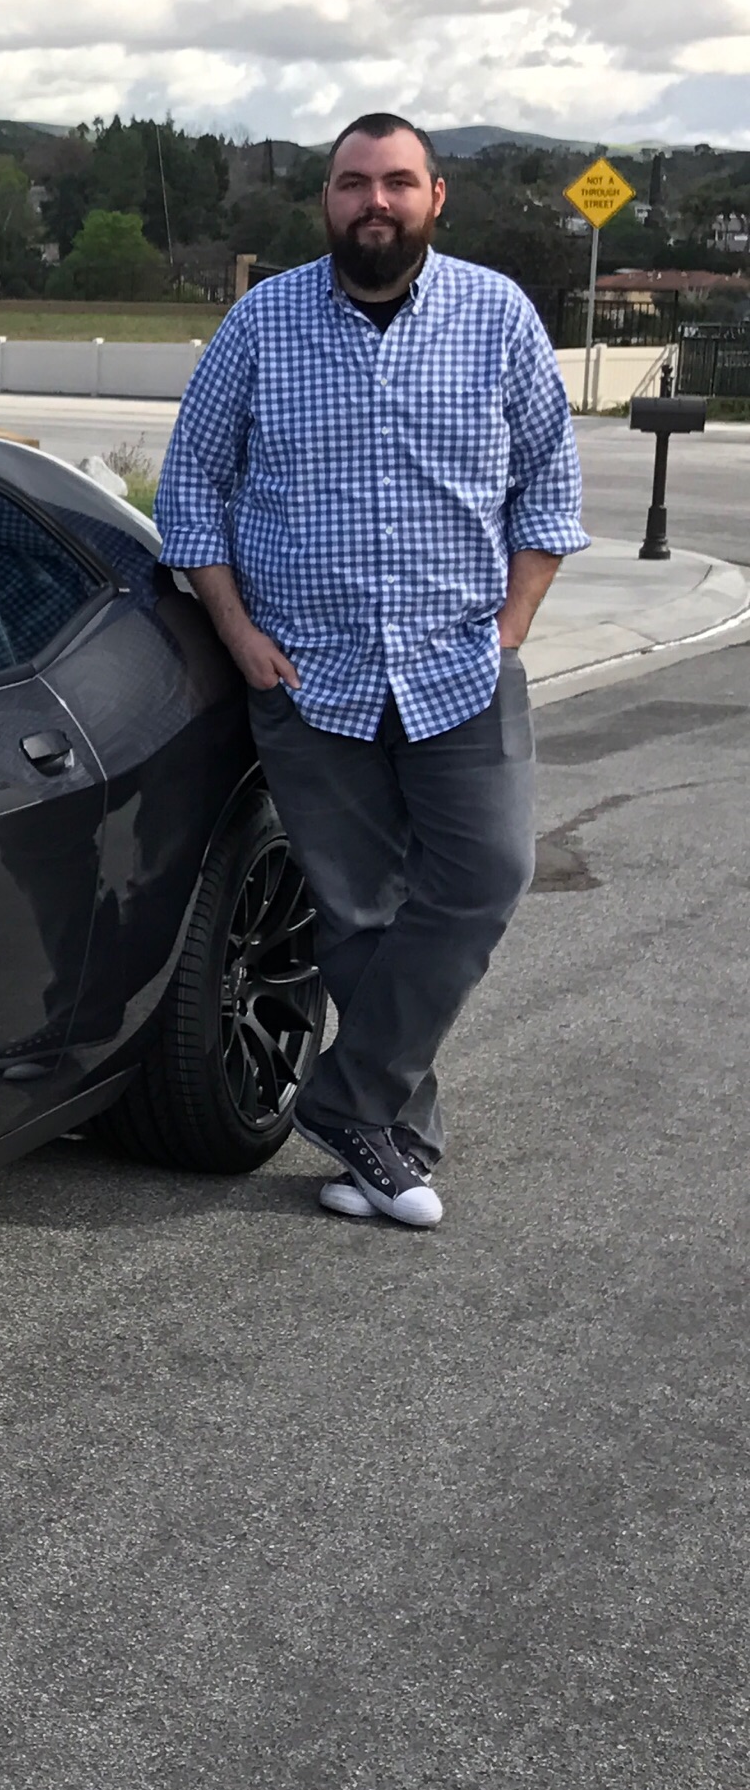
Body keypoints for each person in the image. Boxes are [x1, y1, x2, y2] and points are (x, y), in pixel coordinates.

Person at [156, 112, 587, 1228]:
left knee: (488, 873)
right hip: (309, 675)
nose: (375, 203)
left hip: (460, 666)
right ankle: (389, 1146)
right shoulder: (263, 322)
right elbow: (191, 488)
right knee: (354, 912)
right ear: (328, 202)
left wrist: (515, 623)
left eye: (398, 183)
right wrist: (240, 633)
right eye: (354, 184)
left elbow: (549, 486)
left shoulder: (496, 317)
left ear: (437, 197)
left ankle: (345, 1095)